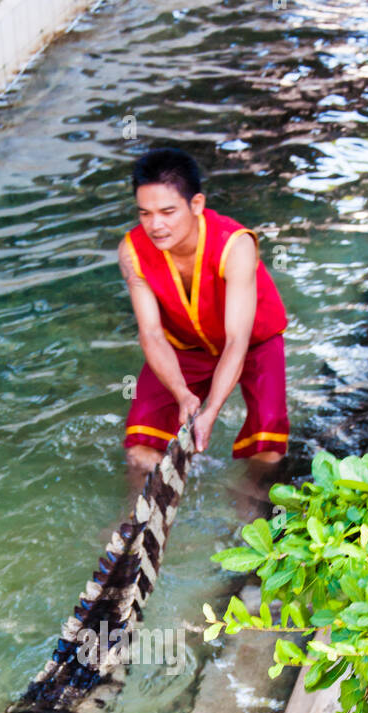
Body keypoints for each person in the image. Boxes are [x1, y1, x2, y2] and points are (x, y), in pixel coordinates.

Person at [118, 146, 289, 488]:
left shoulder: (235, 245)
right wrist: (182, 393)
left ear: (196, 205)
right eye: (145, 214)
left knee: (268, 444)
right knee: (140, 448)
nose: (156, 225)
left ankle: (252, 511)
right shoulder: (132, 252)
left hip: (254, 341)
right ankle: (133, 522)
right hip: (184, 345)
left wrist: (210, 411)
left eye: (167, 211)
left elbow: (238, 340)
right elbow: (151, 334)